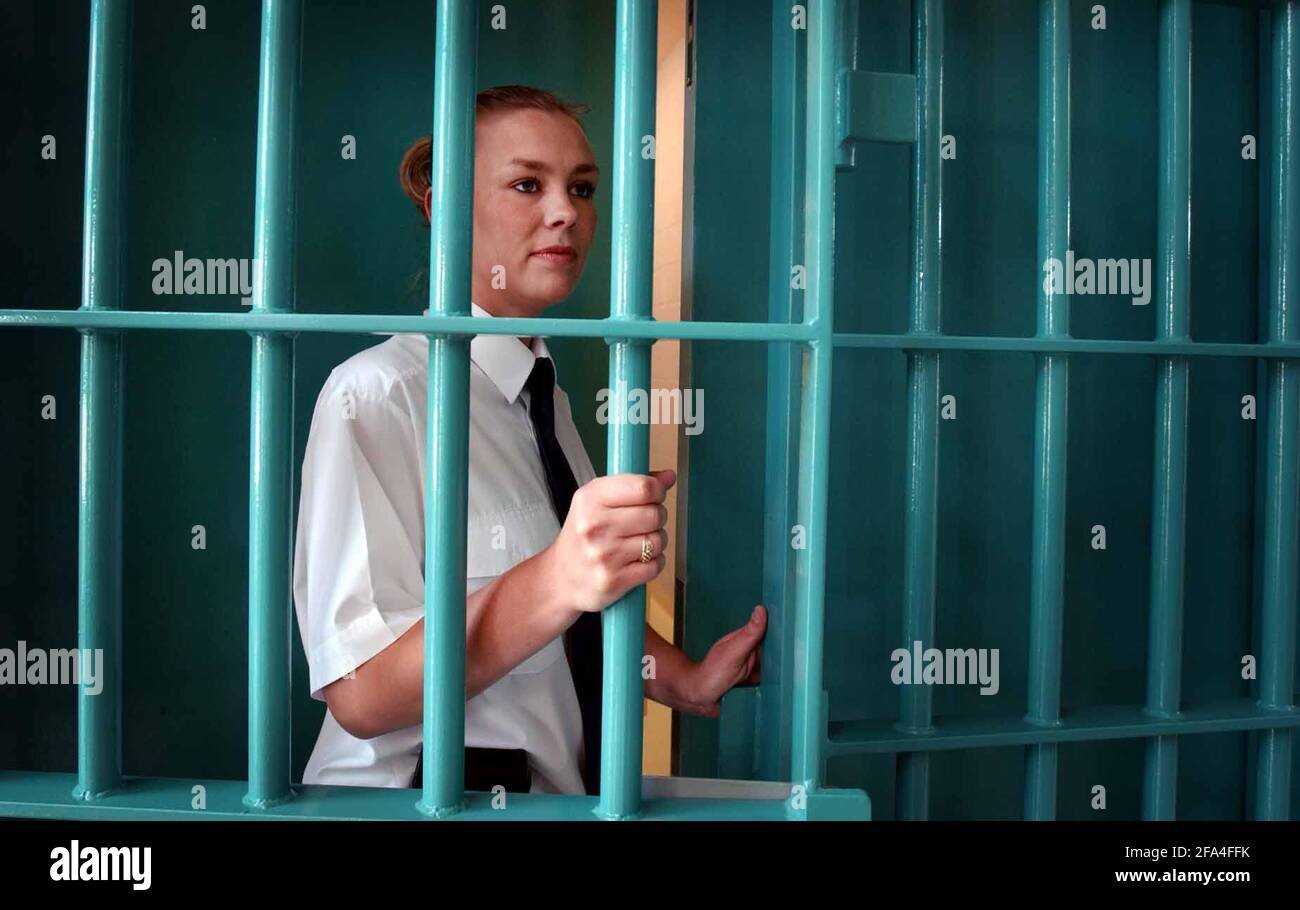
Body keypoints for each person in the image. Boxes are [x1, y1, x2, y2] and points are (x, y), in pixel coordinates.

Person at [292, 85, 766, 795]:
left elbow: (569, 608)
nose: (566, 212)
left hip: (544, 801)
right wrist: (560, 573)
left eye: (582, 187)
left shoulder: (545, 400)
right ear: (441, 206)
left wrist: (683, 681)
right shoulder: (379, 393)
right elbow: (359, 693)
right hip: (413, 805)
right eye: (527, 183)